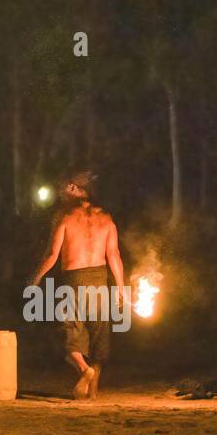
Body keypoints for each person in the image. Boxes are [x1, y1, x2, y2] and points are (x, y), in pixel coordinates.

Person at [29, 170, 124, 399]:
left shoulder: (65, 217)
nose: (60, 193)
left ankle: (84, 370)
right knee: (99, 340)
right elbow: (114, 255)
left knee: (70, 339)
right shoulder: (107, 218)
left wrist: (35, 279)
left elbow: (52, 254)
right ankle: (92, 394)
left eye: (64, 187)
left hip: (74, 282)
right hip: (100, 282)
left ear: (74, 188)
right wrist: (121, 288)